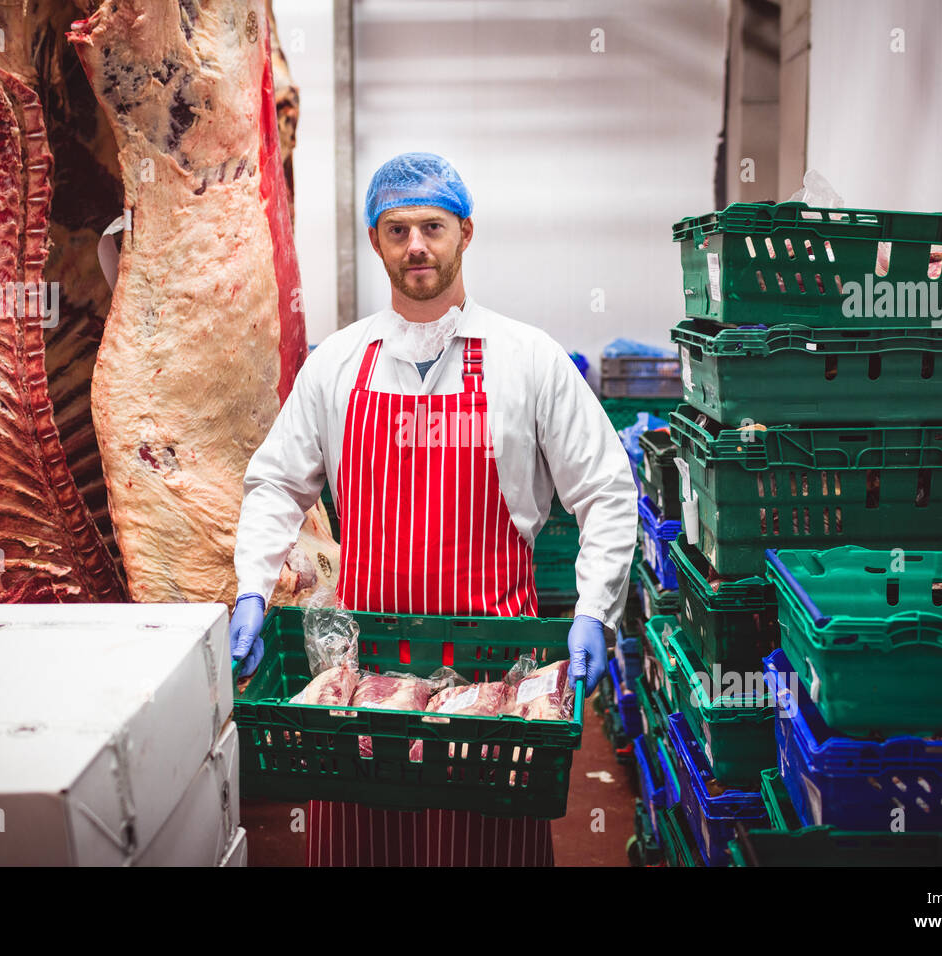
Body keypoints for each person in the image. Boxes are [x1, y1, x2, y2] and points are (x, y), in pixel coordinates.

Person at [229, 151, 638, 866]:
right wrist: (252, 591)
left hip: (492, 678)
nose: (415, 245)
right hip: (361, 679)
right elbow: (275, 484)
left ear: (465, 234)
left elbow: (605, 490)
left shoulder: (527, 360)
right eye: (396, 230)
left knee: (482, 845)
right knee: (362, 842)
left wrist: (594, 610)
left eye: (432, 227)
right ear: (376, 241)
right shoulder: (338, 365)